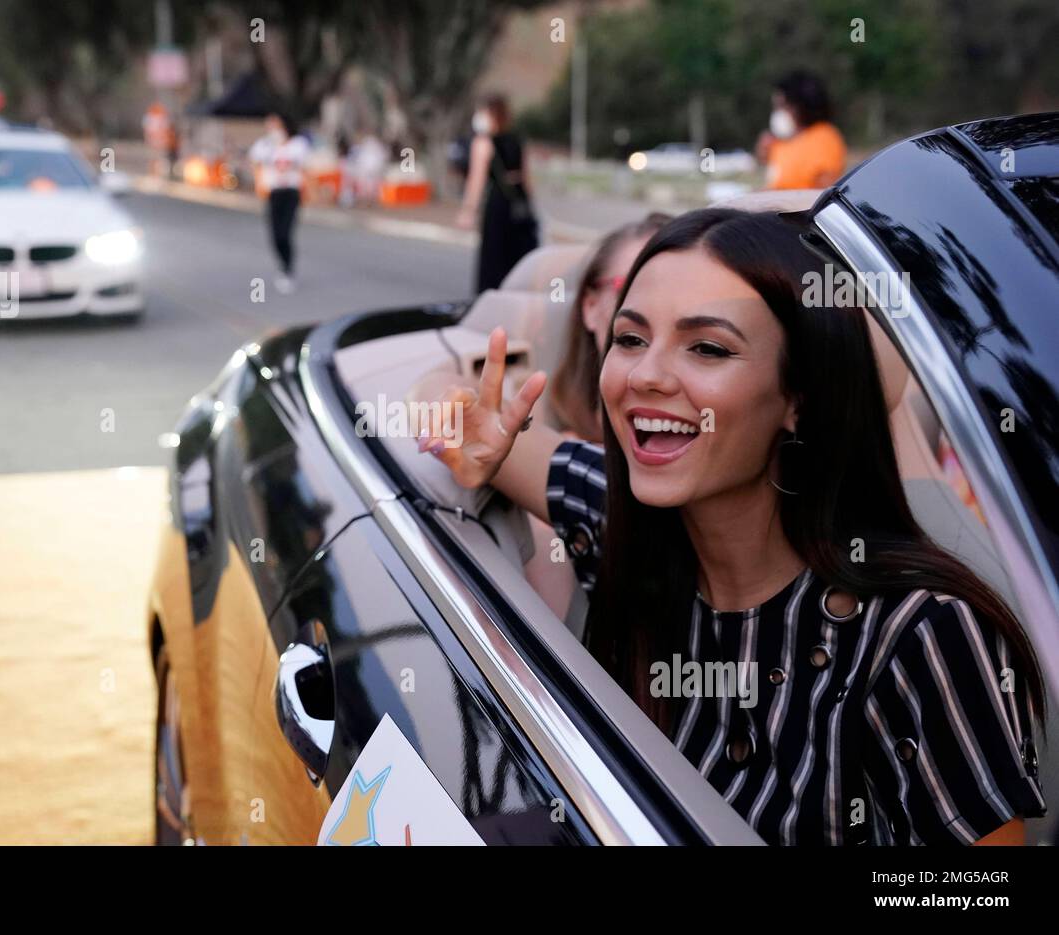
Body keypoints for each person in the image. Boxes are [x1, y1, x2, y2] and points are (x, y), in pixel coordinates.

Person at [416, 208, 1046, 845]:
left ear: (798, 398)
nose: (646, 376)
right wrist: (448, 412)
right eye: (630, 339)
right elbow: (454, 413)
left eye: (708, 348)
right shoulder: (631, 520)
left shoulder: (917, 632)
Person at [549, 214, 672, 441]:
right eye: (629, 287)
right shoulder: (556, 453)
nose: (656, 308)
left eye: (678, 289)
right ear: (591, 307)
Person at [457, 94, 539, 294]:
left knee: (495, 259)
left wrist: (468, 211)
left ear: (491, 114)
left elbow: (476, 180)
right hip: (519, 204)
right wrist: (529, 207)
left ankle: (494, 304)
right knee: (518, 260)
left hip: (498, 205)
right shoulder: (517, 140)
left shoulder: (483, 143)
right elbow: (527, 179)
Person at [249, 112, 310, 294]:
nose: (273, 130)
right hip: (274, 193)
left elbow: (305, 167)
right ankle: (282, 264)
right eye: (270, 126)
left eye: (276, 126)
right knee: (275, 235)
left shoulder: (298, 145)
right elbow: (255, 162)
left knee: (285, 232)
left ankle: (287, 269)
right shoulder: (264, 146)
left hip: (291, 192)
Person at [755, 70, 847, 191]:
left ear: (799, 107)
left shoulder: (824, 138)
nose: (778, 112)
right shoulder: (782, 141)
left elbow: (822, 195)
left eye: (782, 106)